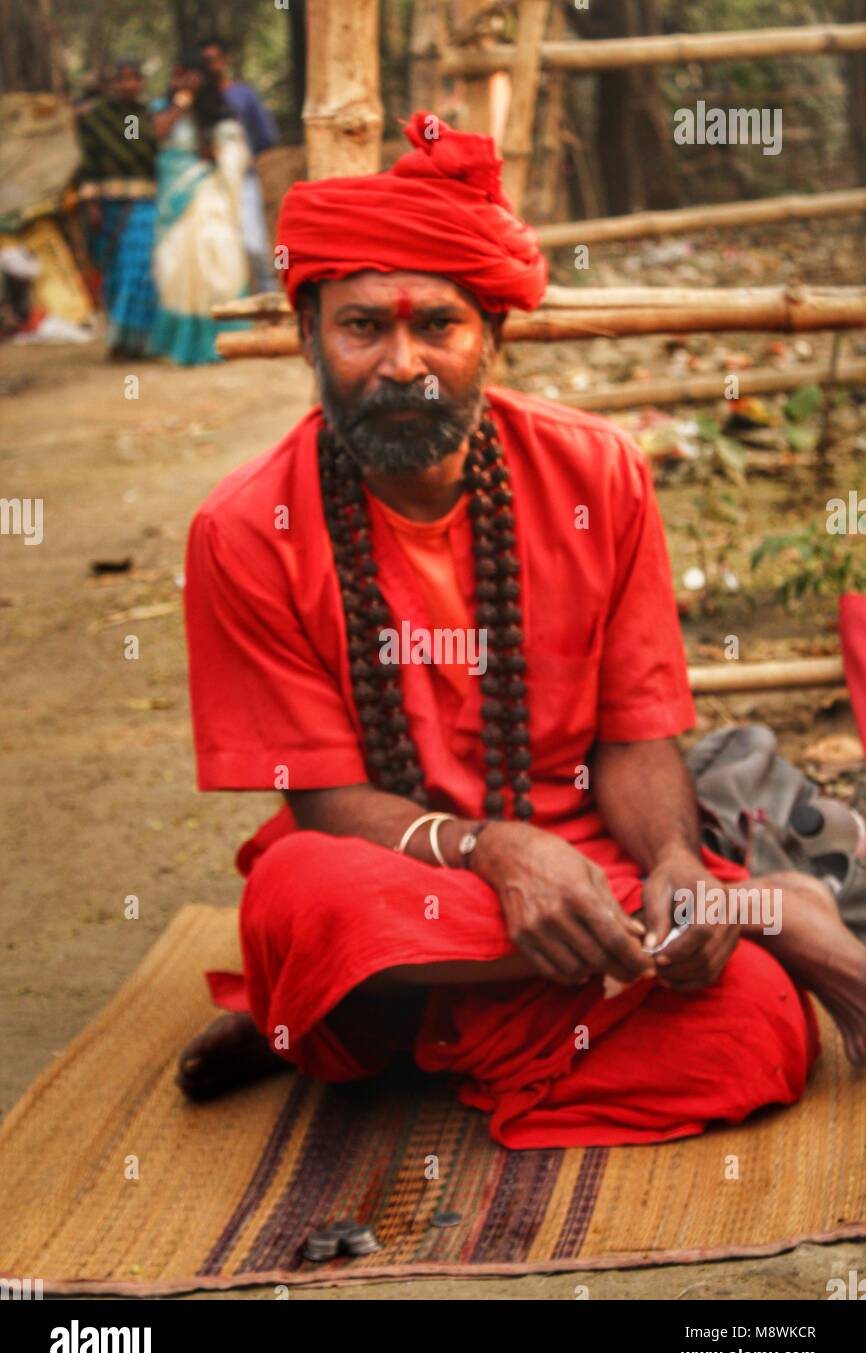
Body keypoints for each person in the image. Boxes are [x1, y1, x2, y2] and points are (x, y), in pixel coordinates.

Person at [178, 113, 866, 1149]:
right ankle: (772, 913)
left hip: (589, 863)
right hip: (393, 868)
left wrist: (676, 858)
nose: (401, 362)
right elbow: (319, 798)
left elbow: (632, 733)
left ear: (491, 338)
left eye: (437, 327)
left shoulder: (599, 474)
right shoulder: (242, 528)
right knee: (305, 904)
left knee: (756, 1033)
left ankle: (379, 1024)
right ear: (307, 335)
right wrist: (493, 850)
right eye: (362, 326)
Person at [148, 55, 249, 366]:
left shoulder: (218, 114)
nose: (180, 82)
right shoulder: (160, 110)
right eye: (176, 76)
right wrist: (182, 100)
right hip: (174, 195)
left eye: (187, 77)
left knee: (214, 255)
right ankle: (184, 342)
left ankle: (221, 337)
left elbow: (233, 153)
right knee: (175, 262)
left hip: (207, 190)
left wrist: (220, 154)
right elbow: (156, 133)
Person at [75, 59, 158, 358]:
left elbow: (153, 157)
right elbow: (86, 163)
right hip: (107, 205)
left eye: (134, 78)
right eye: (122, 79)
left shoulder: (149, 116)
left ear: (142, 82)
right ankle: (120, 341)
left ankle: (138, 341)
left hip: (145, 203)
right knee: (114, 270)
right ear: (112, 84)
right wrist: (92, 203)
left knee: (141, 267)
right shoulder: (95, 119)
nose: (128, 84)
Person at [200, 34, 279, 294]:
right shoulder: (195, 98)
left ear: (225, 60)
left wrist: (241, 157)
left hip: (243, 179)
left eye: (214, 59)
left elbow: (266, 135)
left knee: (254, 243)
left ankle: (269, 296)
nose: (210, 66)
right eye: (204, 61)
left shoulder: (243, 94)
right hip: (207, 183)